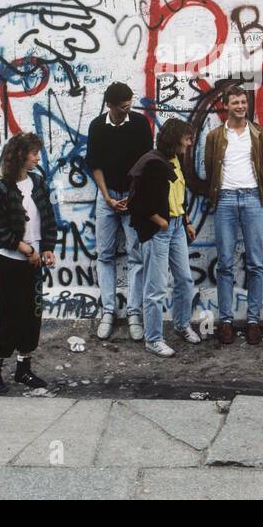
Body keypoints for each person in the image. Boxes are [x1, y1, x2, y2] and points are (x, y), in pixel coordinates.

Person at [0, 132, 58, 395]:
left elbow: (48, 216)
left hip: (34, 262)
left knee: (32, 316)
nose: (38, 157)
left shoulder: (38, 182)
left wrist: (48, 246)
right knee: (11, 316)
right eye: (33, 152)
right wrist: (27, 249)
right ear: (19, 155)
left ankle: (23, 368)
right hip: (9, 263)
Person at [85, 82, 154, 342]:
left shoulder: (138, 124)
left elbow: (146, 164)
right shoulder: (97, 127)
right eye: (123, 106)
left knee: (137, 256)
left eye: (129, 104)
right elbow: (96, 165)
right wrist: (106, 197)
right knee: (105, 255)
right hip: (107, 197)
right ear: (110, 105)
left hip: (133, 198)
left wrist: (132, 196)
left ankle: (134, 314)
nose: (128, 109)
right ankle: (108, 312)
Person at [203, 85, 263, 346]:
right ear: (226, 105)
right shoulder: (215, 137)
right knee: (225, 264)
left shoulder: (259, 134)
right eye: (235, 102)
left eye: (244, 102)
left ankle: (253, 320)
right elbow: (210, 168)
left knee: (255, 262)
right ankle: (226, 321)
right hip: (226, 200)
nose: (241, 106)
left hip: (253, 198)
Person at [127, 118, 198, 357]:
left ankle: (181, 325)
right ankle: (154, 339)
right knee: (155, 288)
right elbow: (135, 202)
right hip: (159, 232)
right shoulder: (151, 163)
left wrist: (185, 221)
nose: (189, 143)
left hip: (177, 227)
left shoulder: (175, 160)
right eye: (186, 139)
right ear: (174, 139)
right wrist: (160, 221)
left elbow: (179, 194)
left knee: (185, 280)